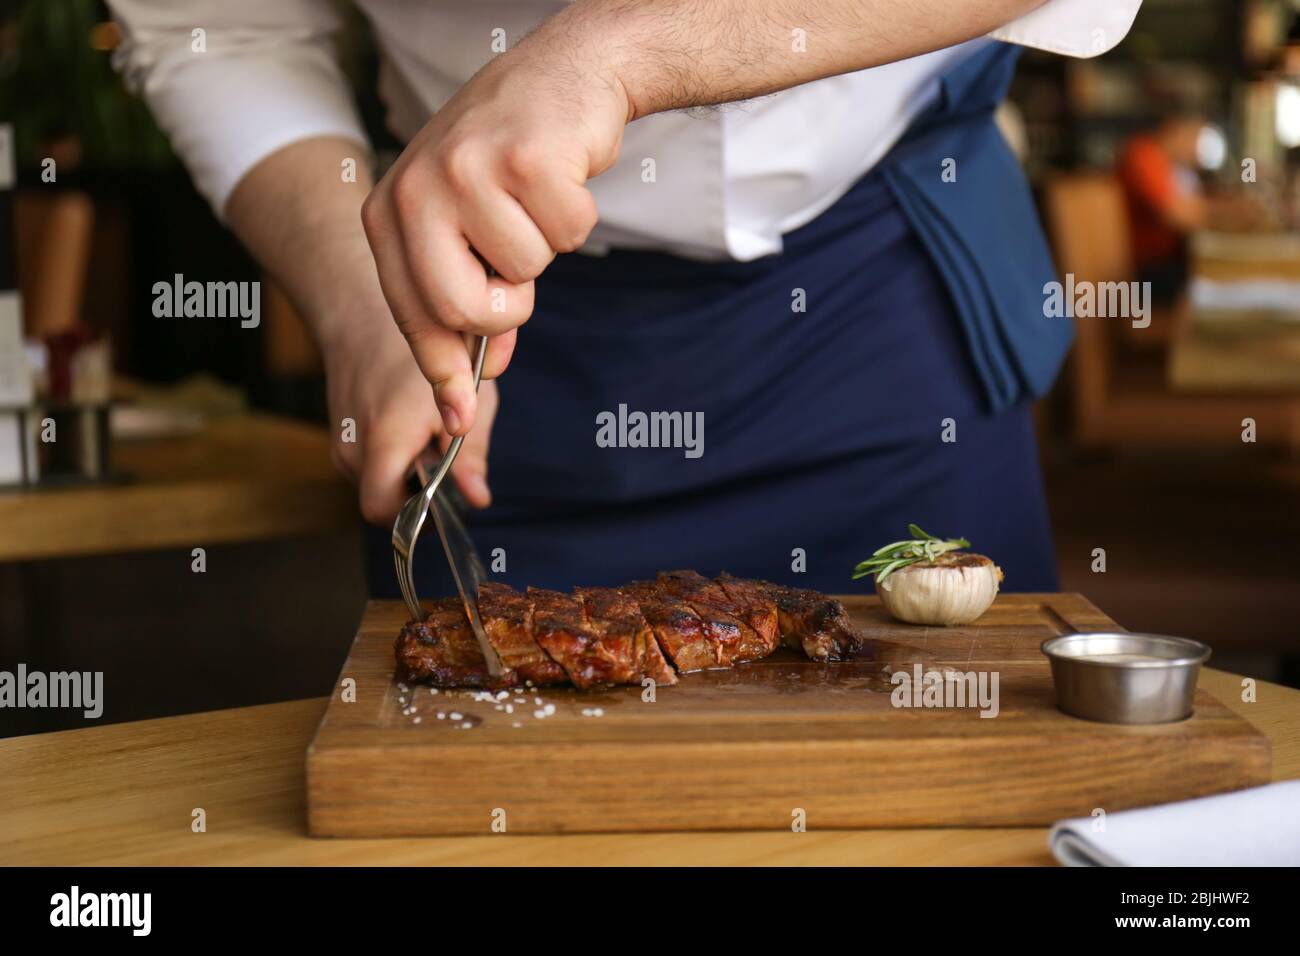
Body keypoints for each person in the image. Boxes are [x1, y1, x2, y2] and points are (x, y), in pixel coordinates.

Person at [108, 0, 1142, 597]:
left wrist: (618, 51)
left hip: (879, 315)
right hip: (489, 343)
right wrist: (355, 290)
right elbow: (224, 26)